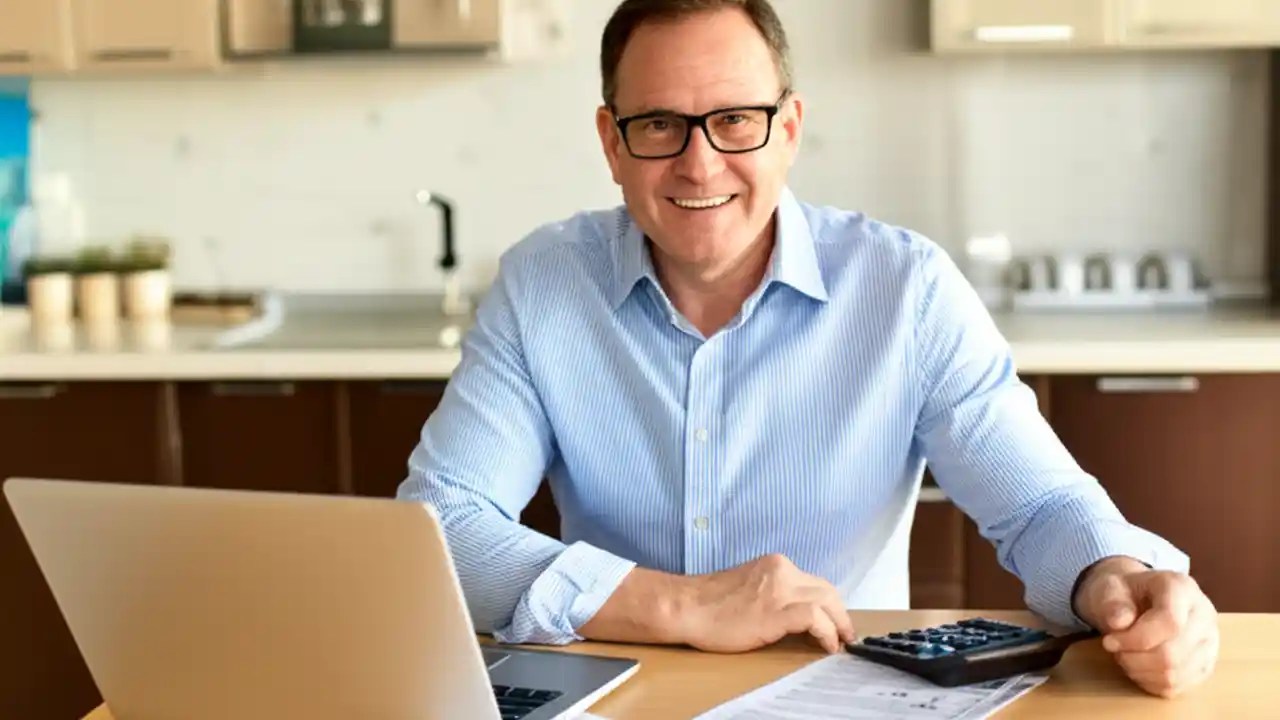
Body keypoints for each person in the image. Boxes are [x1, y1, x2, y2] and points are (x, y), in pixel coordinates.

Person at [397, 0, 1219, 699]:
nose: (698, 163)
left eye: (734, 120)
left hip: (844, 694)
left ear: (788, 129)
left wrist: (1117, 579)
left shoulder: (906, 289)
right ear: (613, 143)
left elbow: (1040, 507)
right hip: (622, 700)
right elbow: (440, 530)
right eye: (659, 125)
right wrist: (680, 605)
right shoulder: (542, 285)